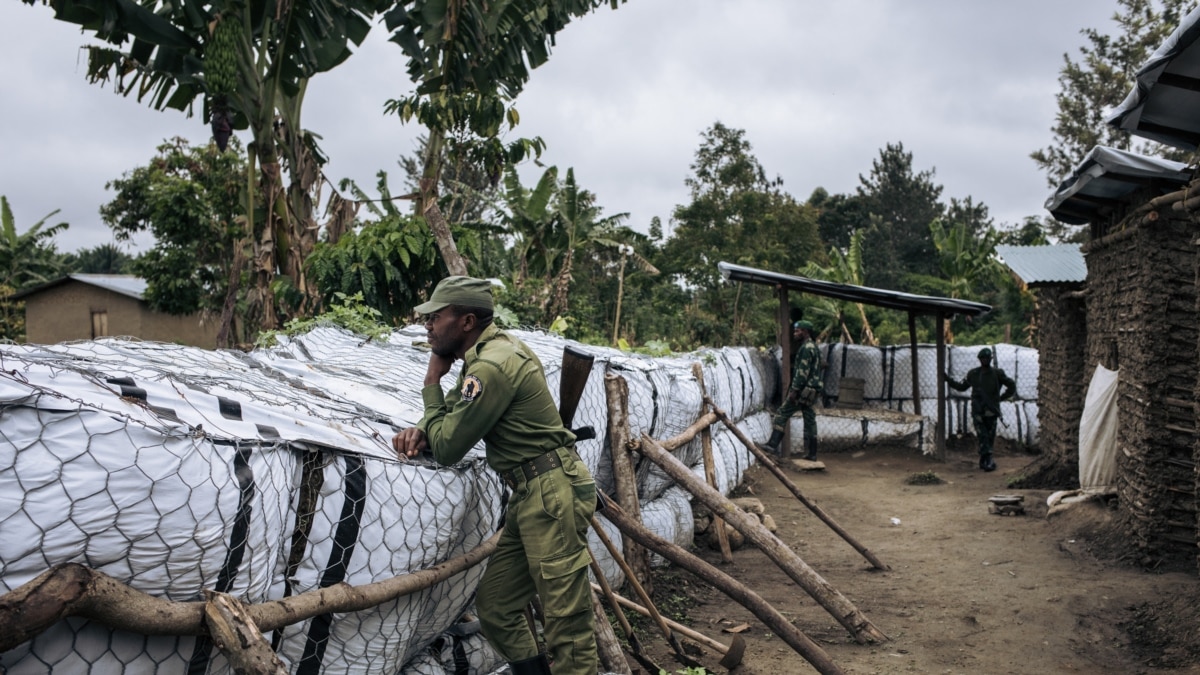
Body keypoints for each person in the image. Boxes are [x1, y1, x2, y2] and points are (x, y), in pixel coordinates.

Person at [392, 276, 597, 675]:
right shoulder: (489, 356)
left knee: (565, 619)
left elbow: (449, 446)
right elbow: (450, 420)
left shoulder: (491, 367)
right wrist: (424, 427)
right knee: (497, 605)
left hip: (551, 494)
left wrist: (432, 380)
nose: (427, 324)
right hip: (531, 492)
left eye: (436, 316)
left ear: (467, 321)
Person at [944, 347, 1016, 472]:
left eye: (987, 358)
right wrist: (948, 380)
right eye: (982, 358)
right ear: (979, 359)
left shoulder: (997, 374)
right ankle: (988, 460)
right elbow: (962, 387)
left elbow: (1011, 385)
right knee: (982, 435)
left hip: (991, 411)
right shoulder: (973, 374)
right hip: (978, 410)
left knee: (989, 436)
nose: (984, 360)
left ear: (990, 359)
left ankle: (984, 459)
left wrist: (1001, 398)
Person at [760, 320, 823, 460]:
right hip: (812, 390)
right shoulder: (814, 347)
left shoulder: (806, 348)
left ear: (805, 332)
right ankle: (812, 453)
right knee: (810, 419)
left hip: (802, 390)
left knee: (782, 413)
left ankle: (772, 444)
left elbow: (802, 372)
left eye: (798, 331)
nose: (795, 334)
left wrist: (794, 390)